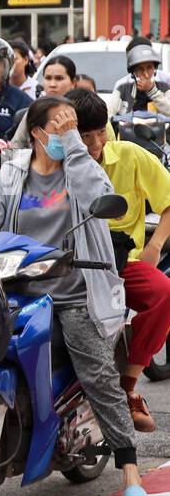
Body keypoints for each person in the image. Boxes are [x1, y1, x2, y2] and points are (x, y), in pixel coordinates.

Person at [0, 96, 154, 496]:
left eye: (72, 126)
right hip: (13, 289)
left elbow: (99, 199)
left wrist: (72, 142)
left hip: (72, 293)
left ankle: (129, 471)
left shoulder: (79, 168)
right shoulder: (13, 172)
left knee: (98, 376)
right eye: (60, 125)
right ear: (37, 133)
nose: (69, 132)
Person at [69, 87, 170, 432]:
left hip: (120, 264)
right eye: (85, 136)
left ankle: (128, 386)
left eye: (101, 132)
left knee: (164, 293)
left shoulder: (129, 155)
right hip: (67, 267)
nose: (95, 143)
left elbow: (168, 201)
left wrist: (155, 245)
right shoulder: (54, 164)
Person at [9, 55, 77, 148]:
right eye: (48, 78)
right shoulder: (34, 111)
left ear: (73, 83)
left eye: (59, 78)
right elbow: (16, 145)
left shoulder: (81, 109)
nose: (52, 84)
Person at [111, 38, 170, 115]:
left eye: (149, 68)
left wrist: (152, 90)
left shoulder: (165, 84)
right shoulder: (122, 87)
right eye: (140, 69)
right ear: (133, 71)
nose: (145, 74)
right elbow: (109, 113)